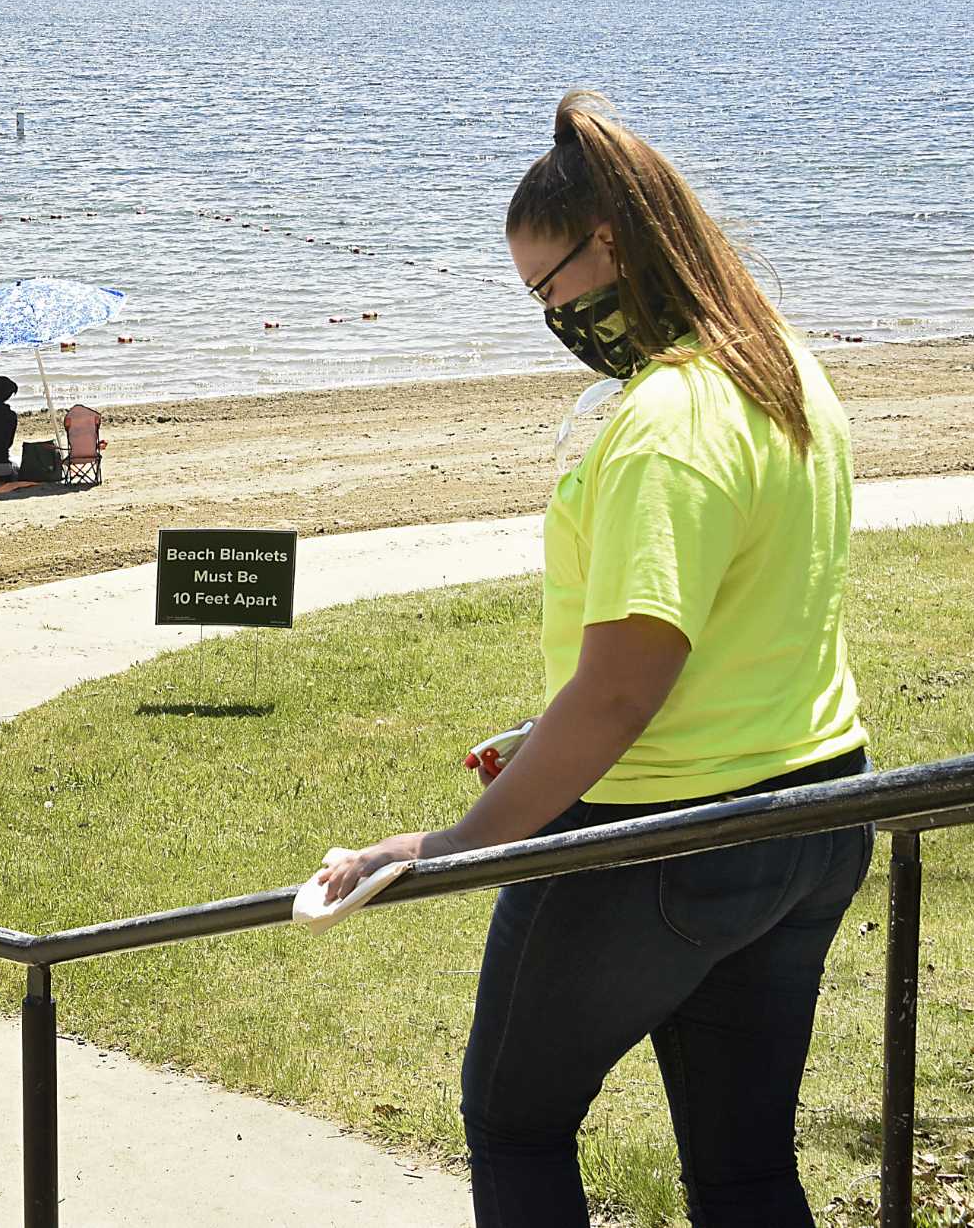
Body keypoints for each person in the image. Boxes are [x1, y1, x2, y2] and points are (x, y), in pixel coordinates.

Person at [316, 91, 871, 1228]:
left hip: (660, 836)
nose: (548, 313)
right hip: (812, 810)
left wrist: (450, 846)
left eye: (548, 286)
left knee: (513, 1121)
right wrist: (542, 732)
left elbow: (622, 691)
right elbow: (727, 620)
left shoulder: (665, 420)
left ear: (608, 242)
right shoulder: (781, 370)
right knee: (745, 1166)